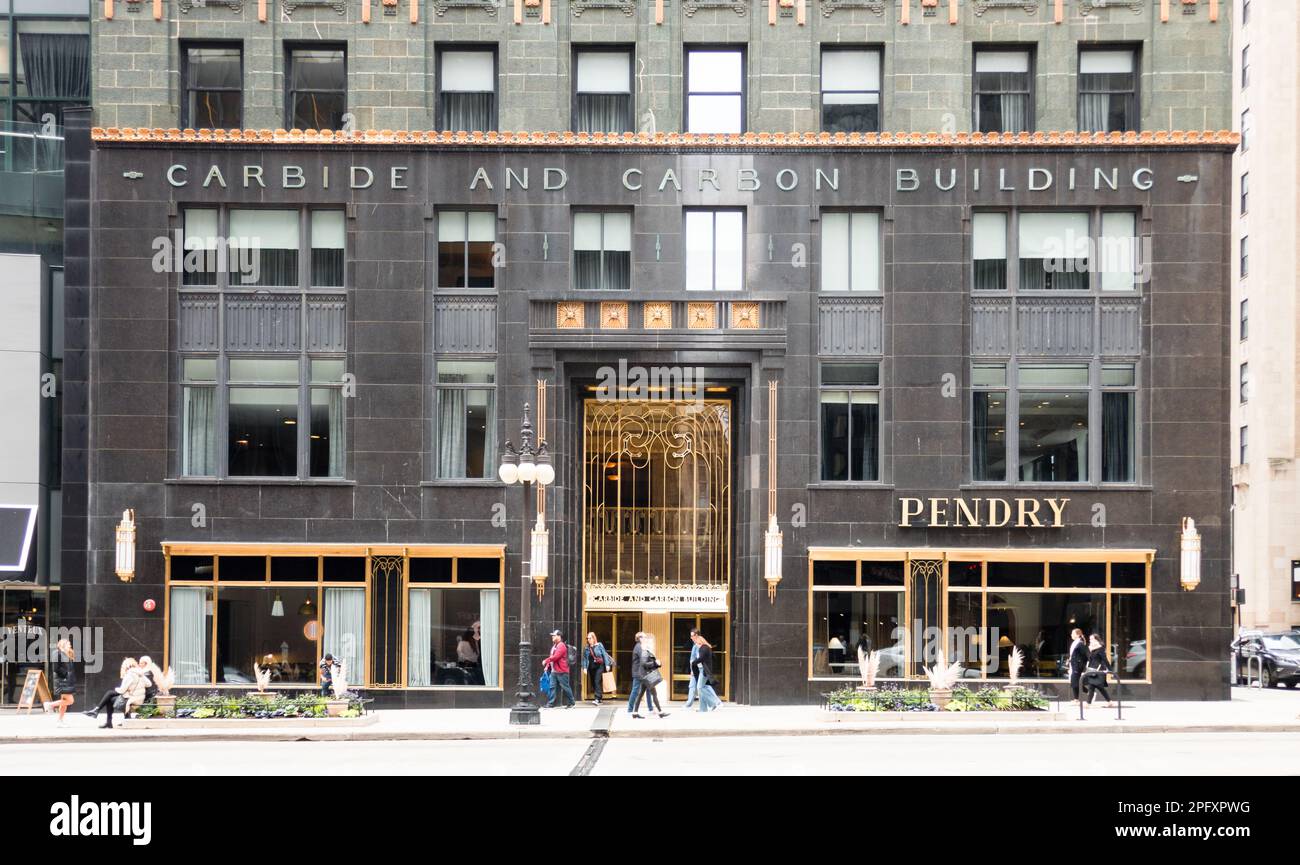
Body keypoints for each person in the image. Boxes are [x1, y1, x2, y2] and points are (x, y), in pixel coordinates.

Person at [84, 658, 147, 729]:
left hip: (132, 700)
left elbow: (122, 690)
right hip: (138, 699)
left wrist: (116, 689)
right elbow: (149, 684)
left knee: (109, 696)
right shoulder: (140, 674)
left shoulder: (129, 675)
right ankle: (98, 712)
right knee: (110, 696)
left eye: (123, 666)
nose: (122, 668)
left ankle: (101, 715)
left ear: (127, 666)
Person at [632, 634, 668, 719]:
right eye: (645, 638)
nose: (650, 643)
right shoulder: (644, 651)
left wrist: (657, 664)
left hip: (644, 675)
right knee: (654, 693)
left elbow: (648, 662)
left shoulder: (645, 650)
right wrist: (655, 663)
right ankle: (660, 712)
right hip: (646, 676)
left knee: (640, 694)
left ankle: (635, 712)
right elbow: (644, 663)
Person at [43, 639, 77, 725]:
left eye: (70, 644)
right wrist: (66, 675)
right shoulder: (57, 653)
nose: (70, 646)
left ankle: (60, 721)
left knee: (64, 702)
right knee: (70, 701)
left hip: (67, 682)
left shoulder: (67, 654)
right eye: (68, 644)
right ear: (63, 645)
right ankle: (49, 705)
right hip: (62, 681)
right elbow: (56, 668)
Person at [543, 629, 575, 708]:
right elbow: (552, 657)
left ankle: (571, 702)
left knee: (565, 687)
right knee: (552, 687)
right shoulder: (554, 646)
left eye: (554, 635)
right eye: (552, 636)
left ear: (559, 636)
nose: (552, 637)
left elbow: (556, 657)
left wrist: (546, 660)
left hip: (562, 671)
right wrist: (547, 666)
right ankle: (551, 703)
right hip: (554, 671)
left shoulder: (561, 645)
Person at [692, 632, 721, 713]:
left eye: (697, 643)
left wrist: (693, 662)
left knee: (700, 688)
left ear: (700, 641)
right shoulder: (706, 648)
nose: (696, 645)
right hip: (704, 670)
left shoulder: (703, 648)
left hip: (704, 670)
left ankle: (714, 702)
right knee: (701, 688)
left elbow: (701, 658)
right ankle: (703, 708)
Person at [1082, 633, 1114, 707]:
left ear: (1096, 639)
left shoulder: (1100, 648)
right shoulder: (1091, 648)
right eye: (1090, 639)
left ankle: (1088, 703)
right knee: (1093, 686)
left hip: (1099, 670)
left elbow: (1105, 660)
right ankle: (1089, 703)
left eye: (1092, 639)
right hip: (1092, 670)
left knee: (1098, 687)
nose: (1090, 640)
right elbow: (1090, 660)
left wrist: (1110, 670)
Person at [582, 631, 612, 705]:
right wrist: (584, 668)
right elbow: (584, 659)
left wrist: (607, 665)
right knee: (593, 682)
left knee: (597, 681)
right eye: (587, 638)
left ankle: (597, 698)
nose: (588, 640)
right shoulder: (586, 648)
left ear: (593, 638)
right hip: (591, 667)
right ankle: (600, 698)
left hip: (599, 666)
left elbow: (604, 654)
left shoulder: (599, 645)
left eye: (590, 638)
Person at [626, 632, 647, 716]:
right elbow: (643, 657)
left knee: (648, 689)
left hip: (640, 672)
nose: (646, 639)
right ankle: (630, 709)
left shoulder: (640, 646)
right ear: (640, 638)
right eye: (644, 637)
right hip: (638, 672)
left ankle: (651, 708)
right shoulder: (639, 647)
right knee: (635, 690)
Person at [1067, 628, 1088, 704]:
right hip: (1073, 665)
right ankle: (1077, 699)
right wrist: (1070, 660)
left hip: (1077, 666)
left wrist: (1081, 666)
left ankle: (1088, 692)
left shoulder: (1080, 644)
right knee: (1075, 682)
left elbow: (1085, 656)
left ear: (1078, 635)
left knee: (1074, 682)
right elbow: (1074, 655)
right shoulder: (1075, 643)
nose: (1071, 635)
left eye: (1073, 633)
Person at [683, 627, 701, 708]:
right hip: (698, 669)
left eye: (692, 636)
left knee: (696, 686)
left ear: (696, 635)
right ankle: (688, 704)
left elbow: (695, 659)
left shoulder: (697, 645)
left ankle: (715, 702)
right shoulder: (697, 644)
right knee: (695, 686)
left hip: (697, 669)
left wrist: (693, 670)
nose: (691, 637)